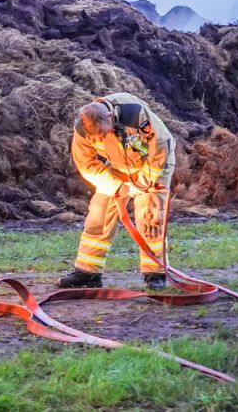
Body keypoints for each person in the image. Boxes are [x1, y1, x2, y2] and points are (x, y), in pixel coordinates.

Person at [58, 92, 175, 291]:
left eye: (103, 135)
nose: (99, 139)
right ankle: (88, 272)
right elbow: (87, 165)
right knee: (99, 213)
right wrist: (118, 187)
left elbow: (159, 149)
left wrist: (143, 184)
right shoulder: (82, 129)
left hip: (153, 164)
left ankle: (155, 273)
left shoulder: (135, 113)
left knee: (150, 213)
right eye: (95, 138)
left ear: (110, 118)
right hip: (119, 168)